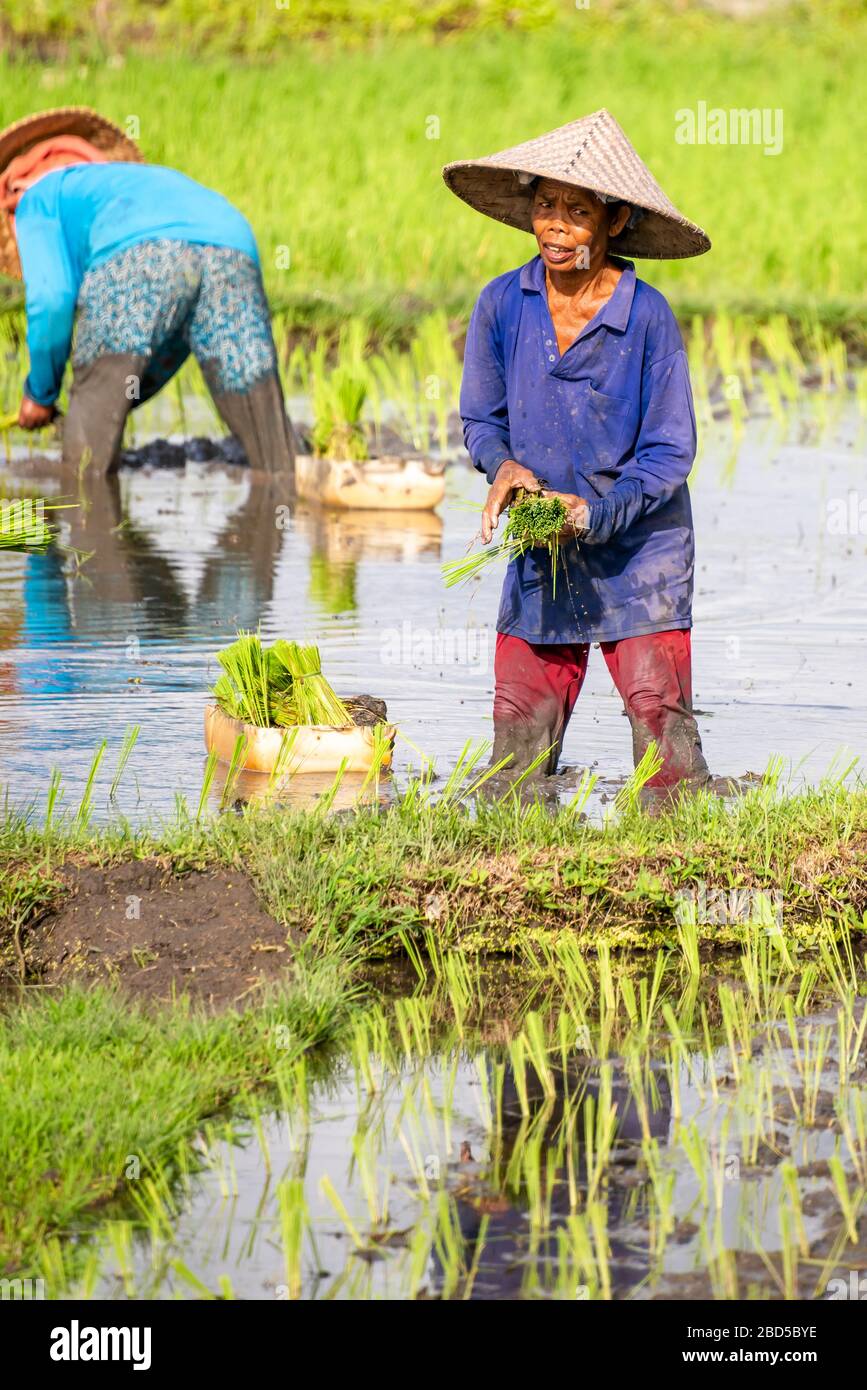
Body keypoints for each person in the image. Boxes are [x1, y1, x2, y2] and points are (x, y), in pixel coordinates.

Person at [443, 108, 715, 795]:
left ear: (614, 220)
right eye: (543, 207)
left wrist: (593, 514)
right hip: (542, 546)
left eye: (575, 210)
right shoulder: (502, 304)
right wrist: (503, 466)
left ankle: (670, 871)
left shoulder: (645, 316)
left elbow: (667, 453)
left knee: (667, 761)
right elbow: (480, 416)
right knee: (514, 766)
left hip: (640, 556)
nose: (555, 226)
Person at [0, 107, 295, 474]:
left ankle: (92, 521)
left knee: (84, 475)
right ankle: (285, 507)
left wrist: (41, 394)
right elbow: (167, 338)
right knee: (273, 457)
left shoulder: (37, 198)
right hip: (232, 242)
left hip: (141, 259)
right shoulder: (135, 183)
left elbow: (51, 300)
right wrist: (111, 395)